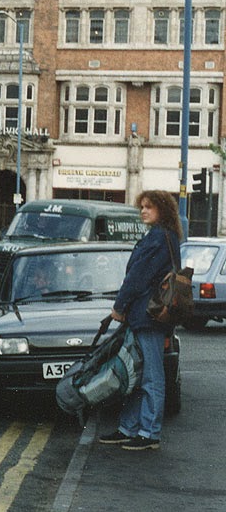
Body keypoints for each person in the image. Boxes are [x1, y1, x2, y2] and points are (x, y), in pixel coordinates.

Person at [97, 189, 181, 451]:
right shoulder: (163, 236)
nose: (143, 211)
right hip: (145, 315)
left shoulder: (159, 238)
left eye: (149, 207)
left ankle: (149, 433)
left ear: (162, 211)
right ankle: (129, 427)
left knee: (151, 376)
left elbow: (137, 278)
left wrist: (119, 307)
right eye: (141, 207)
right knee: (137, 372)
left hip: (149, 316)